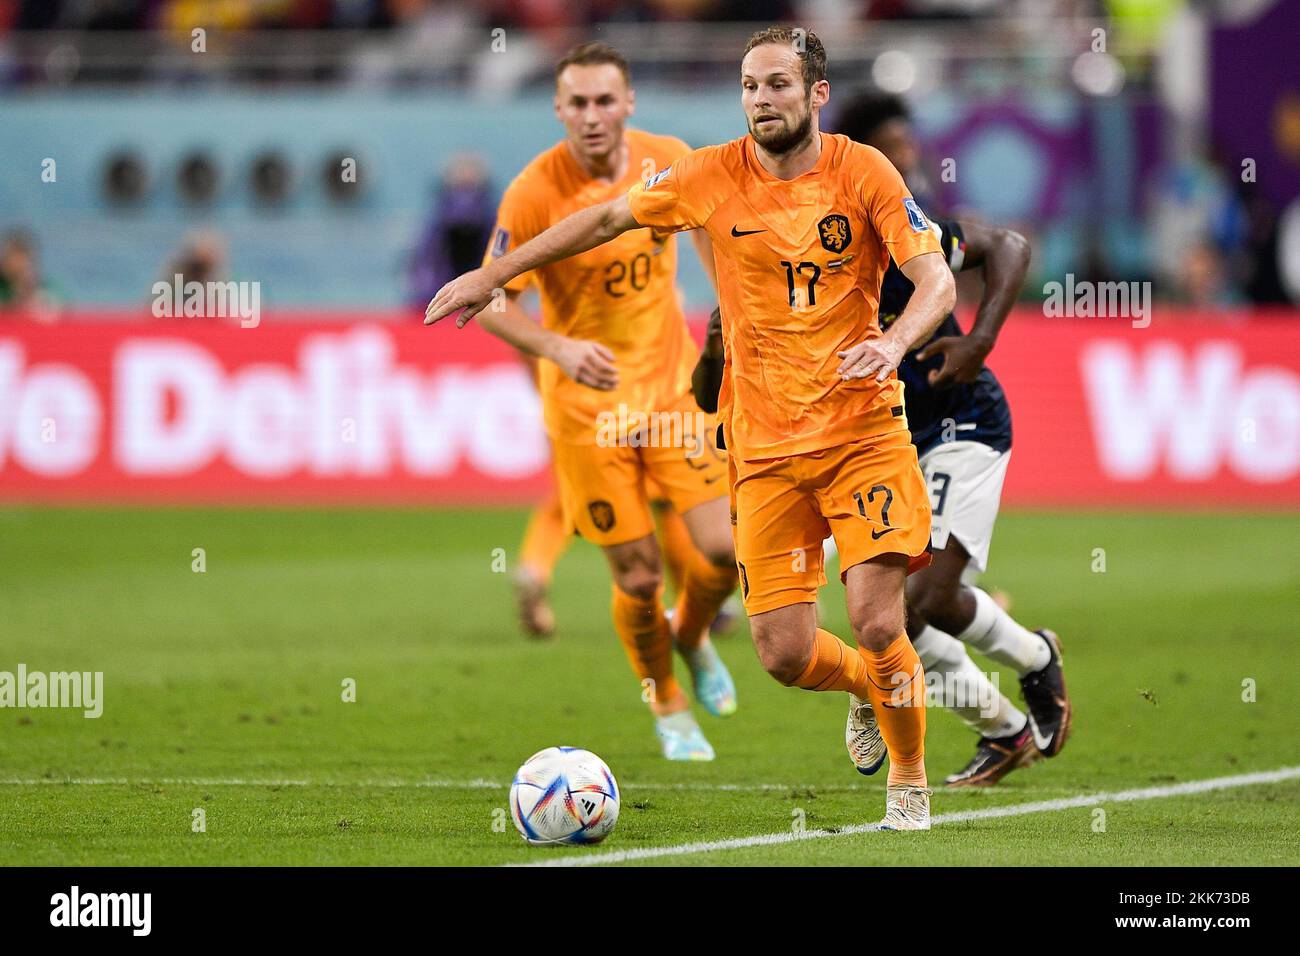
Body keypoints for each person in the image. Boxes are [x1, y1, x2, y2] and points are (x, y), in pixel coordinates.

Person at [429, 28, 956, 829]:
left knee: (880, 618)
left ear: (816, 94)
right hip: (765, 448)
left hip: (862, 433)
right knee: (783, 654)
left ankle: (910, 780)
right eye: (749, 86)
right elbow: (607, 220)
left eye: (778, 85)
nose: (760, 101)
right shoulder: (709, 174)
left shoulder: (863, 170)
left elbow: (935, 279)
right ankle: (864, 690)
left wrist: (891, 341)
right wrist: (493, 275)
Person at [461, 43, 741, 761]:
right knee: (640, 576)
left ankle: (693, 637)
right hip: (589, 411)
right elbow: (491, 296)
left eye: (604, 101)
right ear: (558, 110)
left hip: (674, 392)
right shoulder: (533, 193)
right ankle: (667, 703)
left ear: (629, 104)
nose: (592, 116)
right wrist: (556, 348)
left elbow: (712, 233)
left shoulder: (669, 158)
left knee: (720, 553)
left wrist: (731, 317)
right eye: (577, 103)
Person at [820, 90, 1073, 786]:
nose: (909, 158)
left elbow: (1011, 245)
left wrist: (979, 342)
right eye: (894, 148)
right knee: (885, 611)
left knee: (920, 599)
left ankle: (1034, 663)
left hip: (960, 419)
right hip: (882, 438)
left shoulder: (910, 226)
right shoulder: (813, 241)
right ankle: (1005, 727)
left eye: (908, 145)